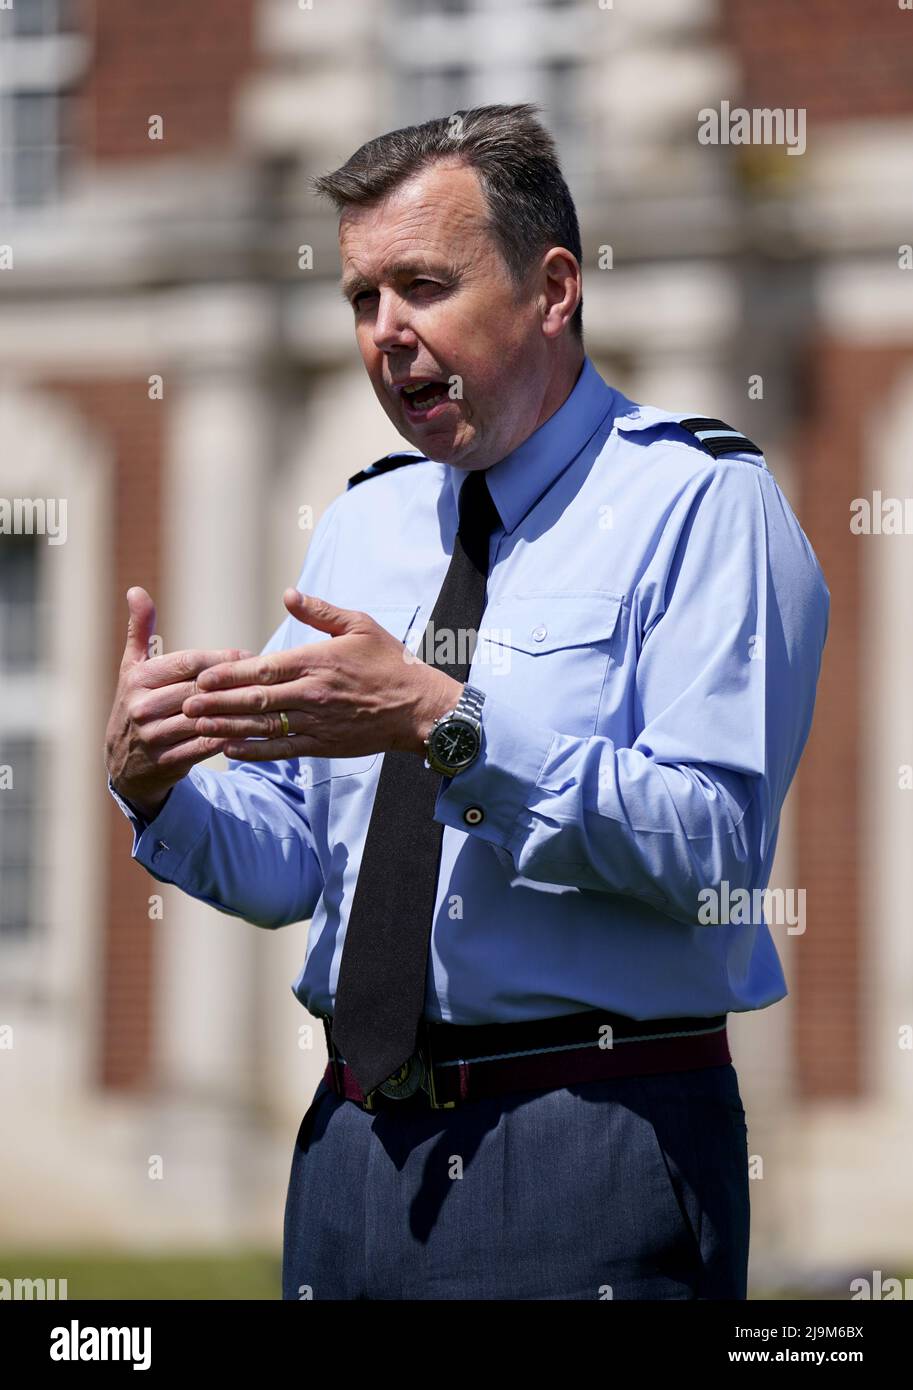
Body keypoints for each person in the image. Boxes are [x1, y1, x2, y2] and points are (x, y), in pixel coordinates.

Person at [104, 103, 829, 1300]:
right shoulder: (363, 521)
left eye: (424, 285)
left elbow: (711, 848)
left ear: (553, 291)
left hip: (590, 1138)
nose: (387, 332)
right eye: (361, 298)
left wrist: (446, 719)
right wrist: (161, 787)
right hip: (347, 1150)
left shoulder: (704, 508)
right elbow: (296, 864)